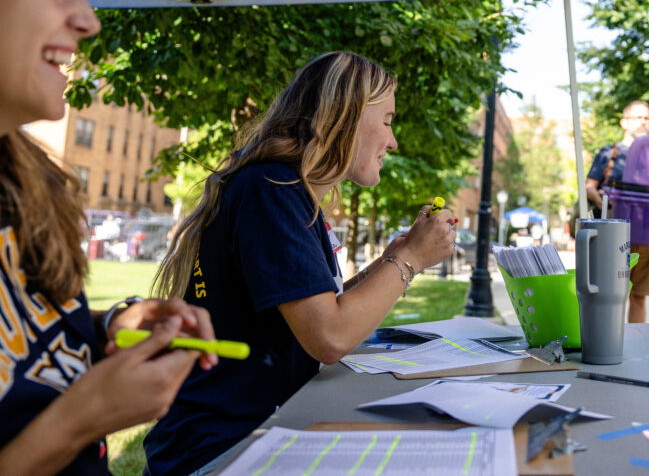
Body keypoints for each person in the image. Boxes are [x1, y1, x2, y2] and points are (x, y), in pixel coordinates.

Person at [144, 51, 457, 475]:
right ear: (341, 117)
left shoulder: (282, 189)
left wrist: (388, 260)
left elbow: (320, 307)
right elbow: (328, 336)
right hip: (217, 452)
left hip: (251, 434)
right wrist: (410, 259)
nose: (393, 141)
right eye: (386, 121)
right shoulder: (272, 189)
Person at [0, 0, 216, 475]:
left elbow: (26, 346)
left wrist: (112, 325)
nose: (88, 20)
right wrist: (79, 419)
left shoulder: (26, 180)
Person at [585, 100, 649, 323]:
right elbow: (589, 185)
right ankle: (606, 339)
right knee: (609, 294)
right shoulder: (609, 152)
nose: (644, 122)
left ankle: (635, 343)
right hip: (612, 234)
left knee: (639, 296)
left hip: (646, 234)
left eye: (647, 118)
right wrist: (599, 200)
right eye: (638, 117)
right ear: (624, 122)